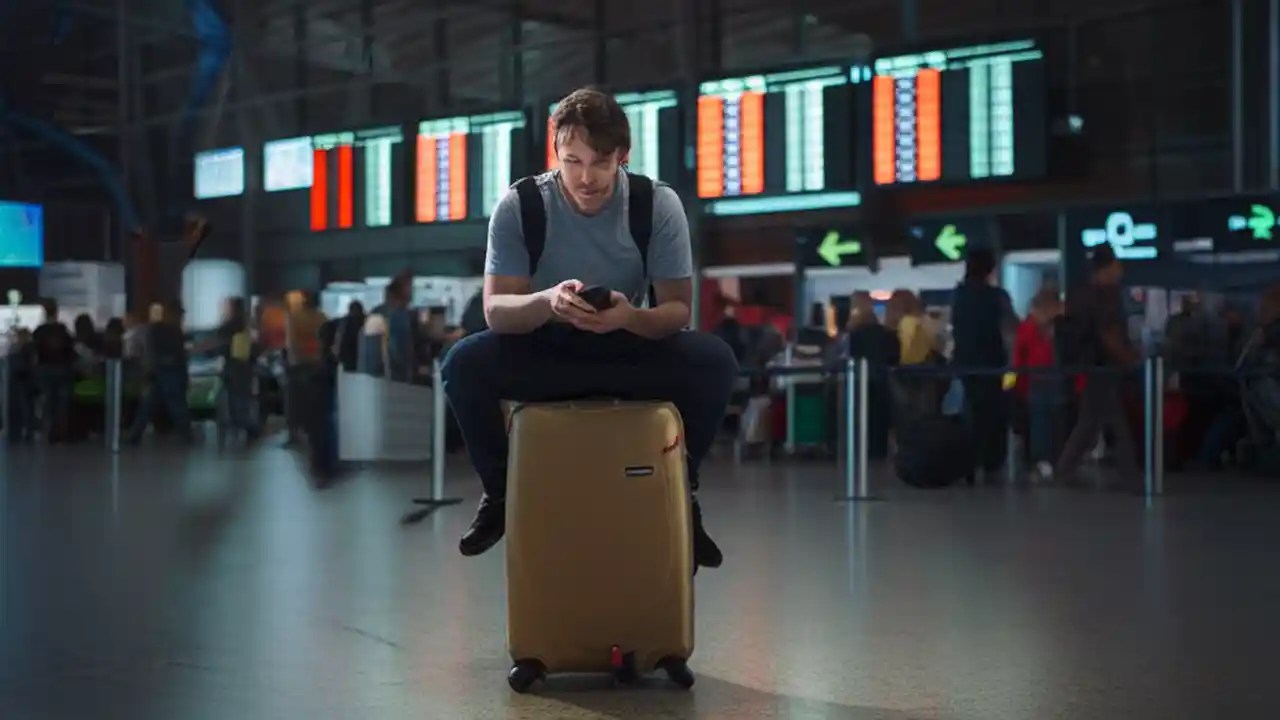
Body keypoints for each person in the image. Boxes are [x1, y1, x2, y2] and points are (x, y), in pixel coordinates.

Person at [441, 87, 738, 569]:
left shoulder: (656, 206)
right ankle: (500, 495)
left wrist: (628, 317)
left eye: (600, 162)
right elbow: (497, 311)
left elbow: (677, 310)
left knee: (715, 362)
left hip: (625, 344)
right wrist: (548, 301)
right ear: (555, 154)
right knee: (462, 364)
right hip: (546, 350)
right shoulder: (521, 207)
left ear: (623, 155)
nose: (585, 178)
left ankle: (684, 491)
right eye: (572, 160)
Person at [1054, 244, 1139, 481]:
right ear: (1108, 267)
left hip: (1090, 365)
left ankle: (1064, 469)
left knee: (1090, 421)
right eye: (1116, 265)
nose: (1120, 271)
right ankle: (1131, 475)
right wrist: (1131, 360)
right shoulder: (1105, 296)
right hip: (1104, 366)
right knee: (1115, 423)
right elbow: (1108, 334)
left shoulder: (1080, 293)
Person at [951, 247, 1016, 482]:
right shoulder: (997, 297)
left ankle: (967, 462)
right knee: (992, 414)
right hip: (991, 364)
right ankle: (990, 461)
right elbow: (1010, 330)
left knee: (969, 412)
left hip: (965, 364)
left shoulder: (958, 296)